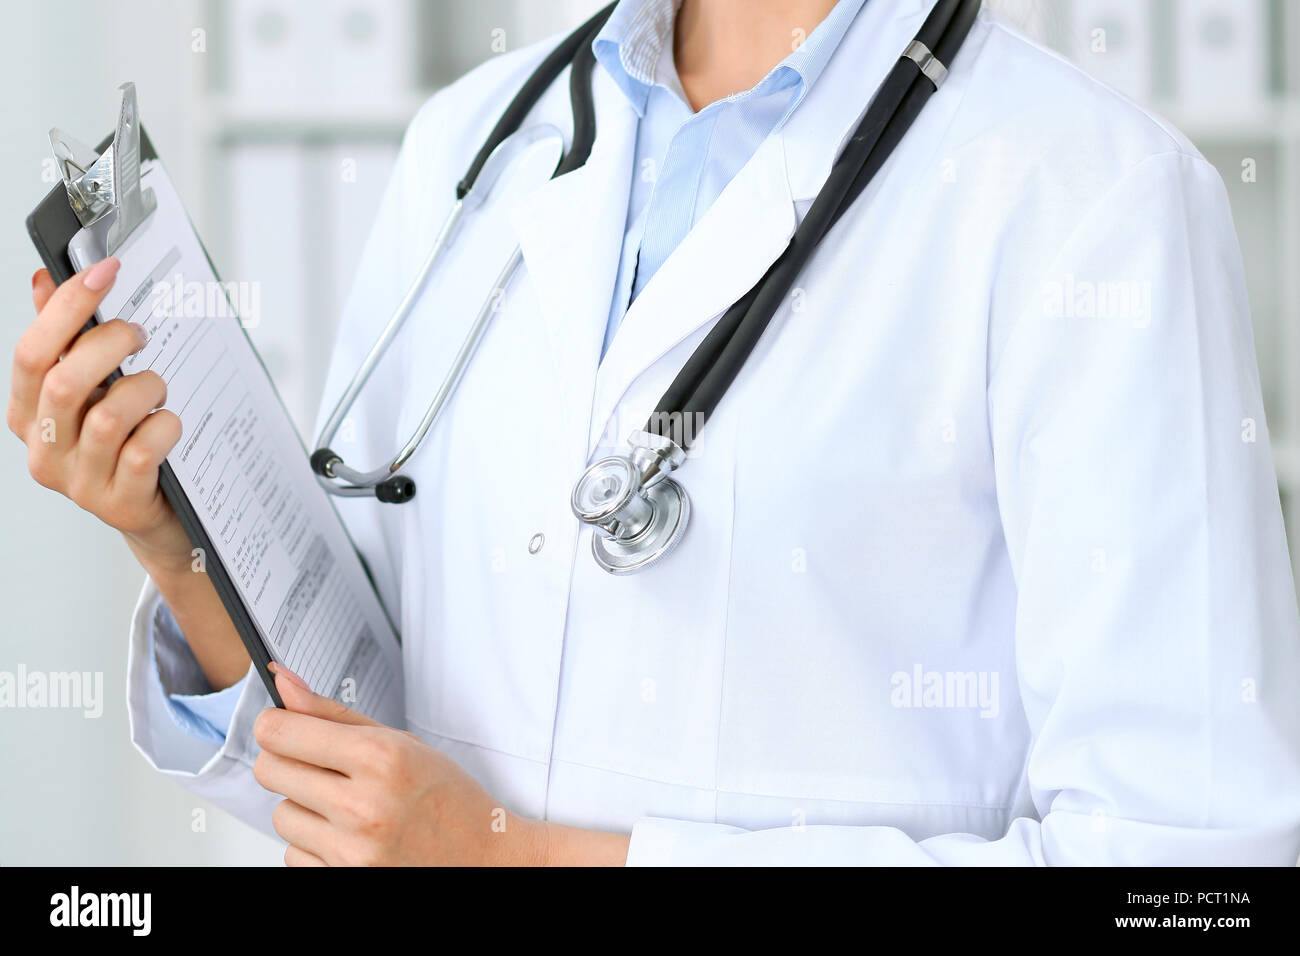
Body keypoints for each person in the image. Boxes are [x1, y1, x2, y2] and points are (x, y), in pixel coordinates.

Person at [11, 0, 1300, 866]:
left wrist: (521, 857)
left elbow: (1186, 869)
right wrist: (178, 537)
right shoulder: (473, 146)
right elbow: (372, 737)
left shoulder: (1095, 197)